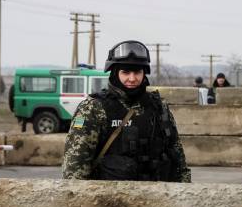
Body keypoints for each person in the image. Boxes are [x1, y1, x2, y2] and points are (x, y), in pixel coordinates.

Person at [62, 40, 191, 182]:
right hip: (110, 200)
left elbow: (178, 159)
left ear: (144, 73)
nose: (132, 78)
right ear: (115, 73)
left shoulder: (159, 107)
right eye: (126, 72)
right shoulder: (93, 108)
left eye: (137, 72)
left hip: (157, 198)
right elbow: (75, 167)